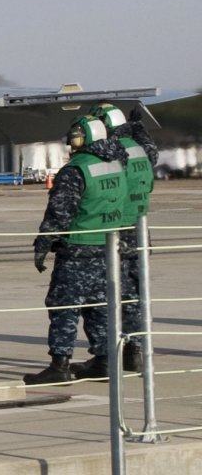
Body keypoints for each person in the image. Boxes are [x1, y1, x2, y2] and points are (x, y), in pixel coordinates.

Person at [27, 114, 131, 383]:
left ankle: (60, 366)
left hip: (78, 250)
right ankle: (105, 362)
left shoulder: (76, 169)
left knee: (64, 306)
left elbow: (59, 212)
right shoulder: (118, 163)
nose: (73, 140)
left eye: (76, 136)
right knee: (101, 307)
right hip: (109, 248)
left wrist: (43, 243)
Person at [98, 102, 158, 372]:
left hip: (117, 229)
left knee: (111, 293)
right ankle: (136, 349)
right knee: (136, 294)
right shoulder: (140, 149)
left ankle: (108, 354)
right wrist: (138, 128)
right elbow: (152, 151)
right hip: (139, 229)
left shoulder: (112, 151)